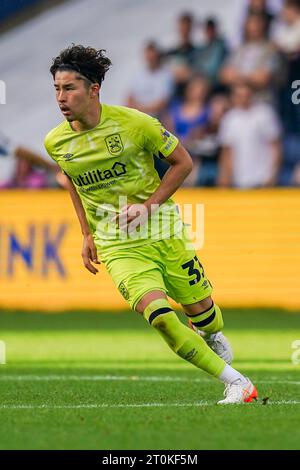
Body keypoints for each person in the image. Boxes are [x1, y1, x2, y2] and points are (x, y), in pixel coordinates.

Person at [45, 44, 258, 404]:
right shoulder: (56, 142)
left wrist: (148, 206)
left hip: (162, 231)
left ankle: (208, 331)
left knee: (206, 316)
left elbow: (183, 163)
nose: (61, 98)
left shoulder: (136, 123)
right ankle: (238, 383)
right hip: (116, 243)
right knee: (159, 316)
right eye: (56, 90)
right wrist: (86, 233)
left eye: (69, 88)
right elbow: (73, 185)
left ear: (93, 89)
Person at [218, 82, 282, 188]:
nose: (243, 99)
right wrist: (225, 178)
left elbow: (275, 147)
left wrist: (272, 176)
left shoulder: (265, 113)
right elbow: (226, 152)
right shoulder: (229, 119)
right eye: (239, 96)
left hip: (262, 180)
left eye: (246, 95)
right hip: (238, 182)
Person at [126, 41, 174, 119]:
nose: (150, 58)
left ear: (157, 56)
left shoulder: (166, 75)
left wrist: (139, 109)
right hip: (137, 115)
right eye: (148, 55)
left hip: (156, 118)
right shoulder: (137, 74)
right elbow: (129, 98)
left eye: (152, 56)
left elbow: (162, 103)